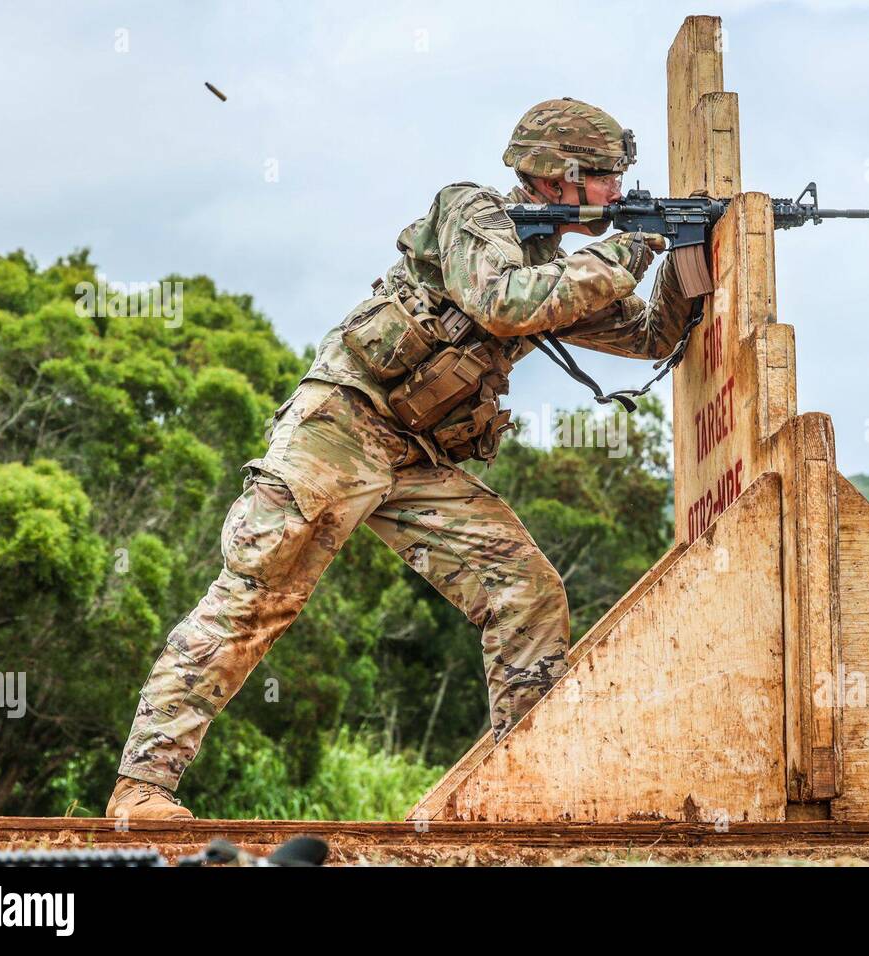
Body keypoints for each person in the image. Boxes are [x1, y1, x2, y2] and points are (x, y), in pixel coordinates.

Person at [106, 98, 694, 819]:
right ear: (558, 176)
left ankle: (527, 786)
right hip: (343, 426)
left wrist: (687, 248)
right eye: (606, 178)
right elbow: (505, 302)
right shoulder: (471, 212)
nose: (615, 194)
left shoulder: (555, 262)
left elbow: (648, 337)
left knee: (525, 591)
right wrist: (630, 247)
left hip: (416, 456)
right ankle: (142, 788)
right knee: (259, 595)